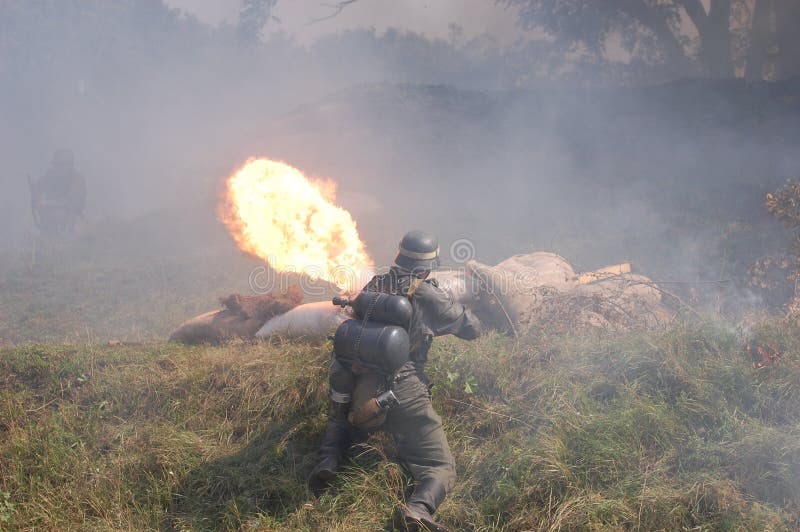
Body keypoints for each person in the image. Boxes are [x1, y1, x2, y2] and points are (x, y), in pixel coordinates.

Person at [308, 230, 481, 531]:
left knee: (342, 419)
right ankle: (419, 508)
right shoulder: (426, 293)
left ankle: (329, 461)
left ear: (398, 257)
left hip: (358, 383)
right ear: (427, 267)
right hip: (402, 388)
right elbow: (472, 328)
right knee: (439, 465)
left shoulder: (374, 285)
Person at [30, 150, 87, 234]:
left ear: (70, 165)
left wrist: (47, 203)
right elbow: (38, 187)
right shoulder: (50, 175)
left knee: (58, 216)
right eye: (56, 165)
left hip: (73, 217)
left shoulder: (77, 179)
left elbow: (70, 201)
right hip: (51, 217)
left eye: (61, 165)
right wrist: (36, 196)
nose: (58, 168)